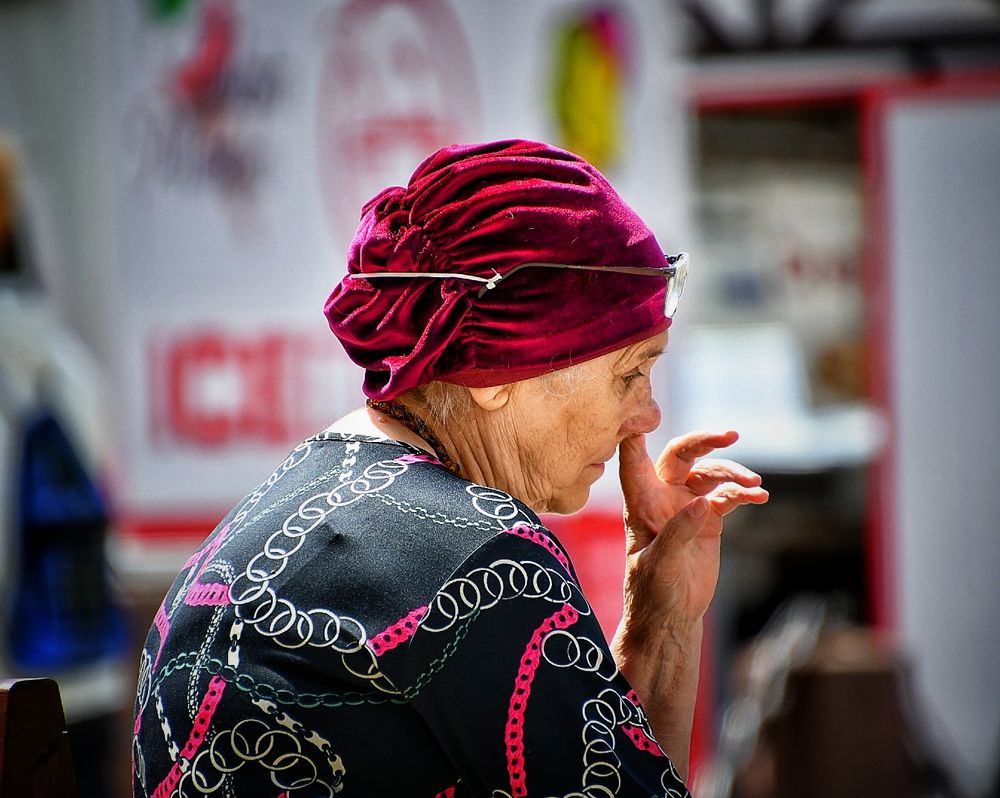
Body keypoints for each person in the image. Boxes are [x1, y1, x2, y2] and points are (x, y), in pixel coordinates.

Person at [131, 139, 768, 798]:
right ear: (496, 374)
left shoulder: (261, 520)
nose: (648, 415)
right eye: (630, 372)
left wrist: (660, 621)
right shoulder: (478, 554)